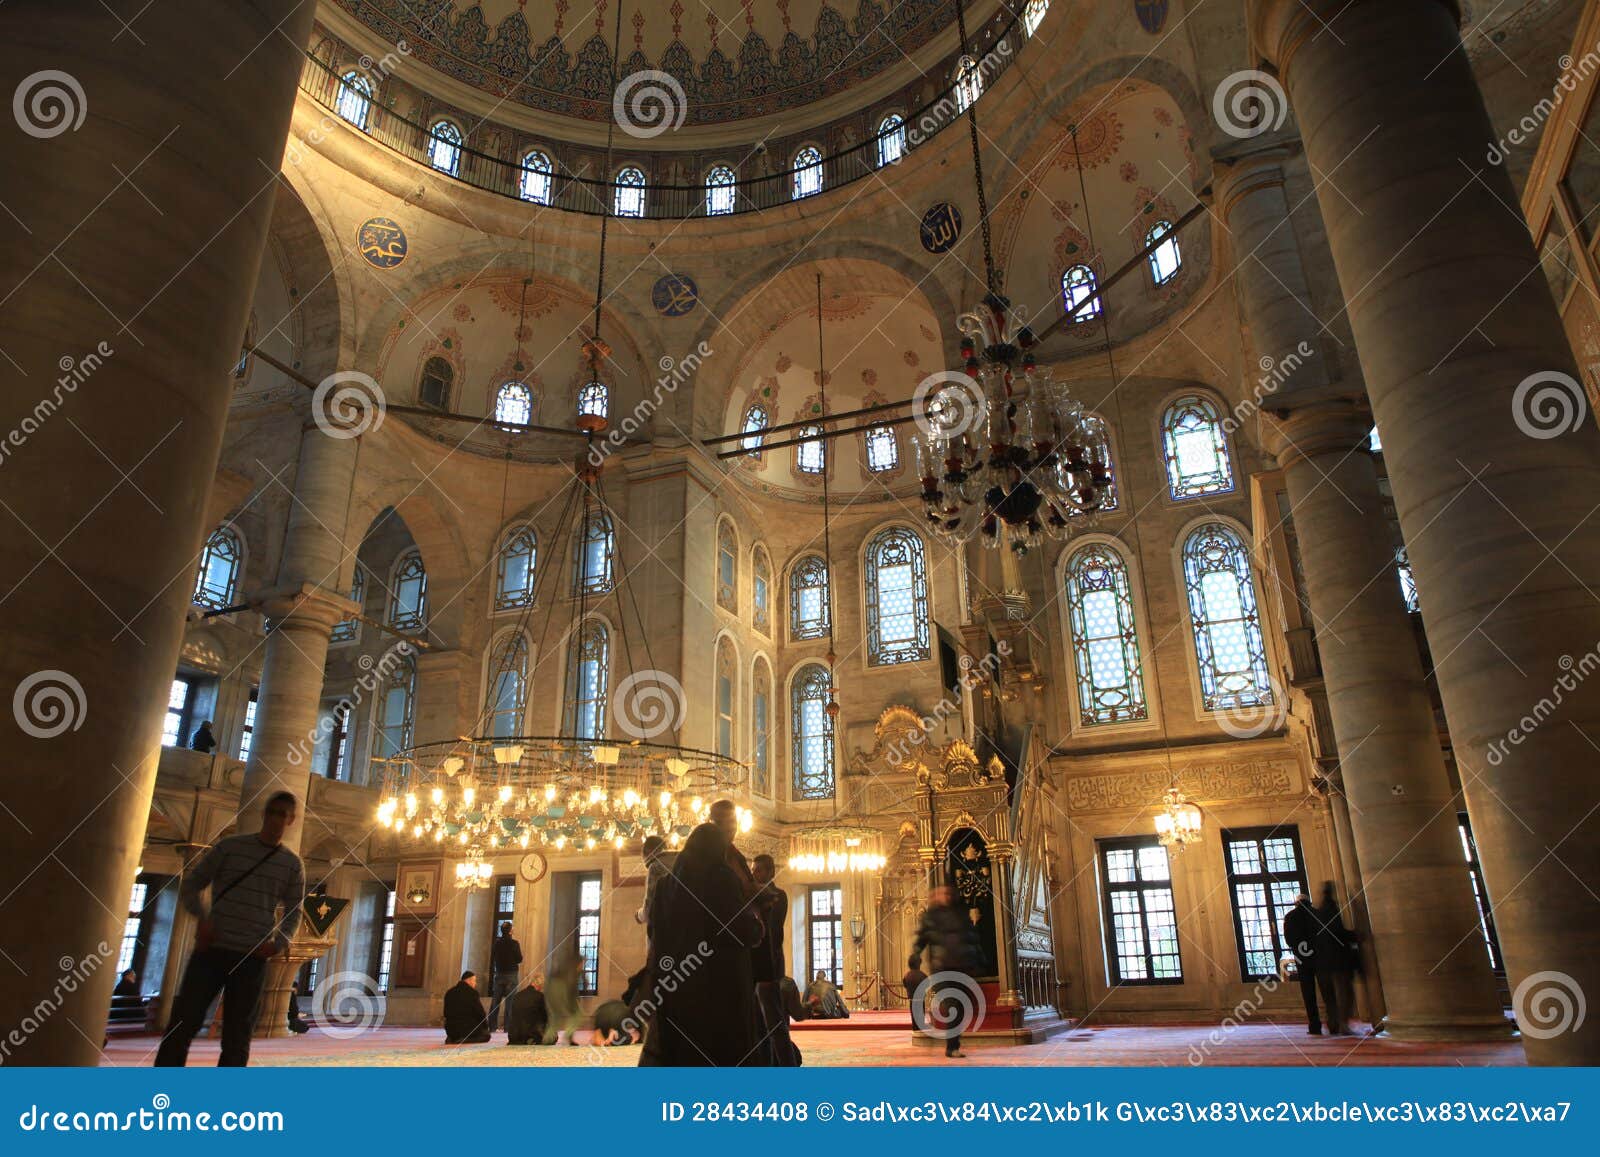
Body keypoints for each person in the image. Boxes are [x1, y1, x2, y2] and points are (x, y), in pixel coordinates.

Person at [155, 790, 304, 1067]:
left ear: (291, 820)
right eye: (273, 813)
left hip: (251, 957)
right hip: (213, 949)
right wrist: (203, 917)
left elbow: (295, 909)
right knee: (183, 1024)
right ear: (264, 815)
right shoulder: (230, 848)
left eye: (284, 815)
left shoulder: (291, 865)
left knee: (237, 1035)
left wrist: (279, 942)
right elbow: (191, 884)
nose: (277, 820)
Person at [638, 821, 763, 1067]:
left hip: (677, 986)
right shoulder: (721, 879)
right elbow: (738, 929)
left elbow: (655, 931)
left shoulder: (666, 886)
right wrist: (757, 925)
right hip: (720, 988)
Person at [911, 884, 981, 1059]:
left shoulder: (959, 913)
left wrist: (978, 957)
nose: (946, 896)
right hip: (942, 965)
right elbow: (922, 937)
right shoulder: (930, 916)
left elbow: (971, 936)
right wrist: (916, 953)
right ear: (935, 896)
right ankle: (952, 1047)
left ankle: (954, 1044)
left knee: (961, 1005)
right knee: (952, 1004)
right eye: (942, 893)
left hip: (962, 963)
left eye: (948, 893)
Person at [750, 853, 800, 1066]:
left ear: (770, 872)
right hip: (756, 968)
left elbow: (770, 931)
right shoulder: (753, 896)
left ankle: (787, 1064)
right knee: (760, 1021)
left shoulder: (778, 896)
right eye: (753, 870)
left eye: (758, 870)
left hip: (770, 967)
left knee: (776, 1021)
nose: (754, 873)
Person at [1314, 881, 1358, 1035]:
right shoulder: (1331, 909)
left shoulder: (1318, 912)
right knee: (1343, 994)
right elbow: (1337, 933)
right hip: (1338, 961)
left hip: (1323, 963)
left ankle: (1333, 1024)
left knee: (1330, 998)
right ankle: (1343, 1025)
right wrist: (1355, 936)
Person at [1282, 892, 1325, 1035]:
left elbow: (1288, 940)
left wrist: (1299, 948)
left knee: (1308, 993)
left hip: (1302, 958)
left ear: (1297, 903)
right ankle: (1334, 1024)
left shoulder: (1290, 917)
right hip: (1319, 956)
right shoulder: (1318, 914)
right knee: (1327, 991)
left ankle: (1314, 1025)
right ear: (1309, 903)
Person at [543, 947, 584, 1045]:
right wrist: (574, 1002)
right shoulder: (572, 973)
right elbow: (571, 988)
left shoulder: (562, 969)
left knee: (555, 1016)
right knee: (577, 1014)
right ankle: (569, 1034)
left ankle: (547, 1039)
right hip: (562, 989)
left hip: (550, 988)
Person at [488, 919, 522, 1033]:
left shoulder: (497, 943)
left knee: (495, 1001)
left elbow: (492, 958)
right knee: (510, 1002)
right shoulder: (514, 943)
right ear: (510, 931)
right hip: (511, 975)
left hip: (499, 974)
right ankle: (508, 1027)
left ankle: (492, 1026)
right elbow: (519, 959)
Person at [443, 971, 491, 1044]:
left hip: (451, 1030)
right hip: (467, 1029)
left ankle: (453, 1038)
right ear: (469, 980)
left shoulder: (449, 992)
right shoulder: (472, 993)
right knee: (486, 1036)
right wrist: (485, 1027)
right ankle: (464, 1040)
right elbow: (480, 1013)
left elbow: (445, 1013)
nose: (475, 984)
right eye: (474, 981)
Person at [635, 835, 669, 936]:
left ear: (648, 853)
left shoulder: (655, 867)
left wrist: (638, 915)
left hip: (663, 934)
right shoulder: (681, 863)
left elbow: (649, 910)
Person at [505, 974, 548, 1046]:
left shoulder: (517, 995)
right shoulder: (539, 996)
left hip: (514, 1036)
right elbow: (545, 1018)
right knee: (553, 1036)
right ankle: (530, 1039)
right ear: (540, 985)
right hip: (529, 1035)